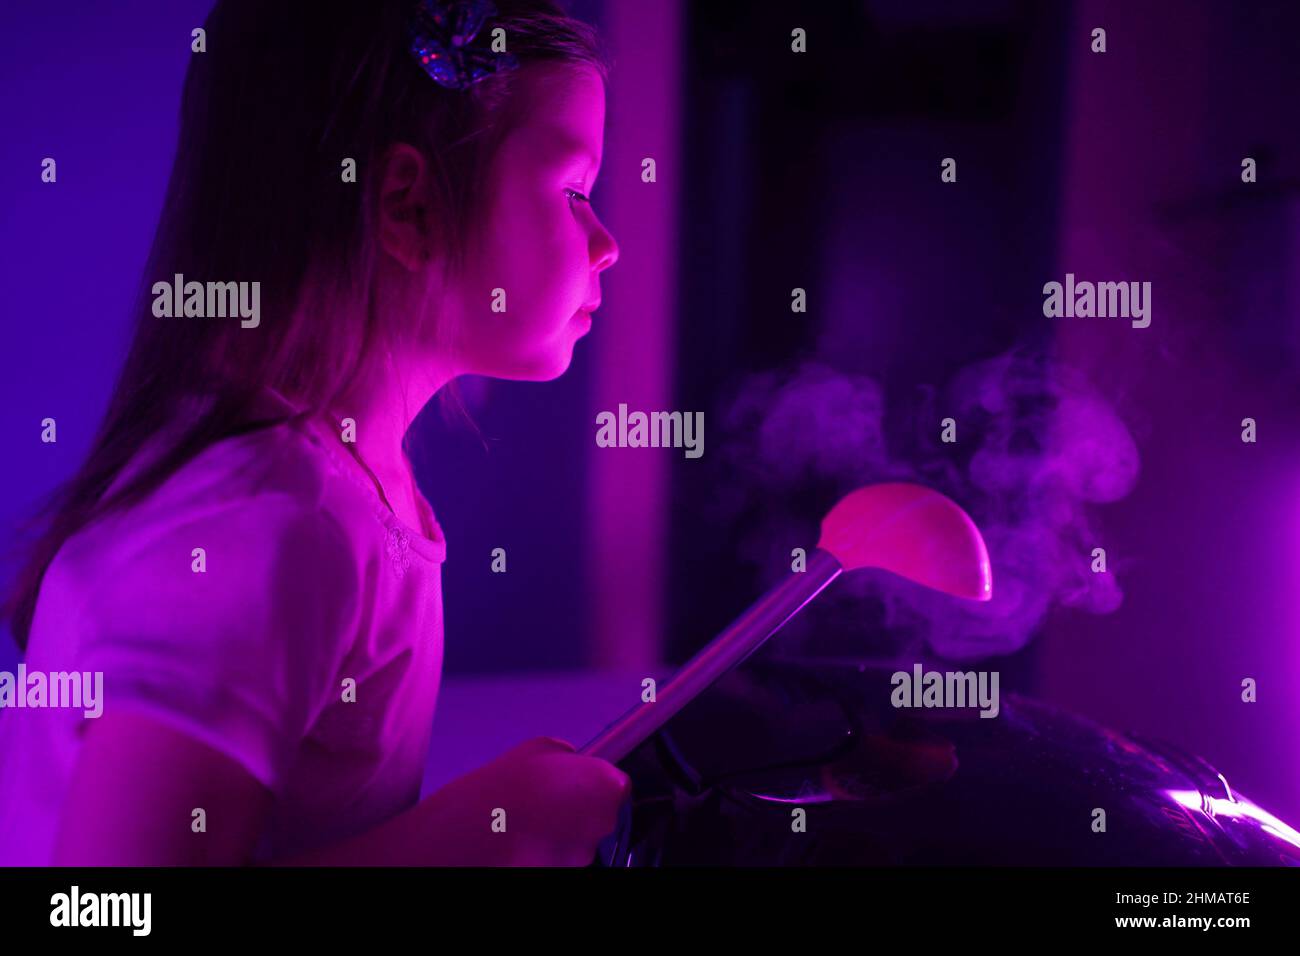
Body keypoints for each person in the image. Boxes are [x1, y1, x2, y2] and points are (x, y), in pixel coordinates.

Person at [0, 0, 625, 866]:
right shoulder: (262, 526)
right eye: (573, 191)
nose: (607, 245)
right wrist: (477, 834)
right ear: (406, 207)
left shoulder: (350, 489)